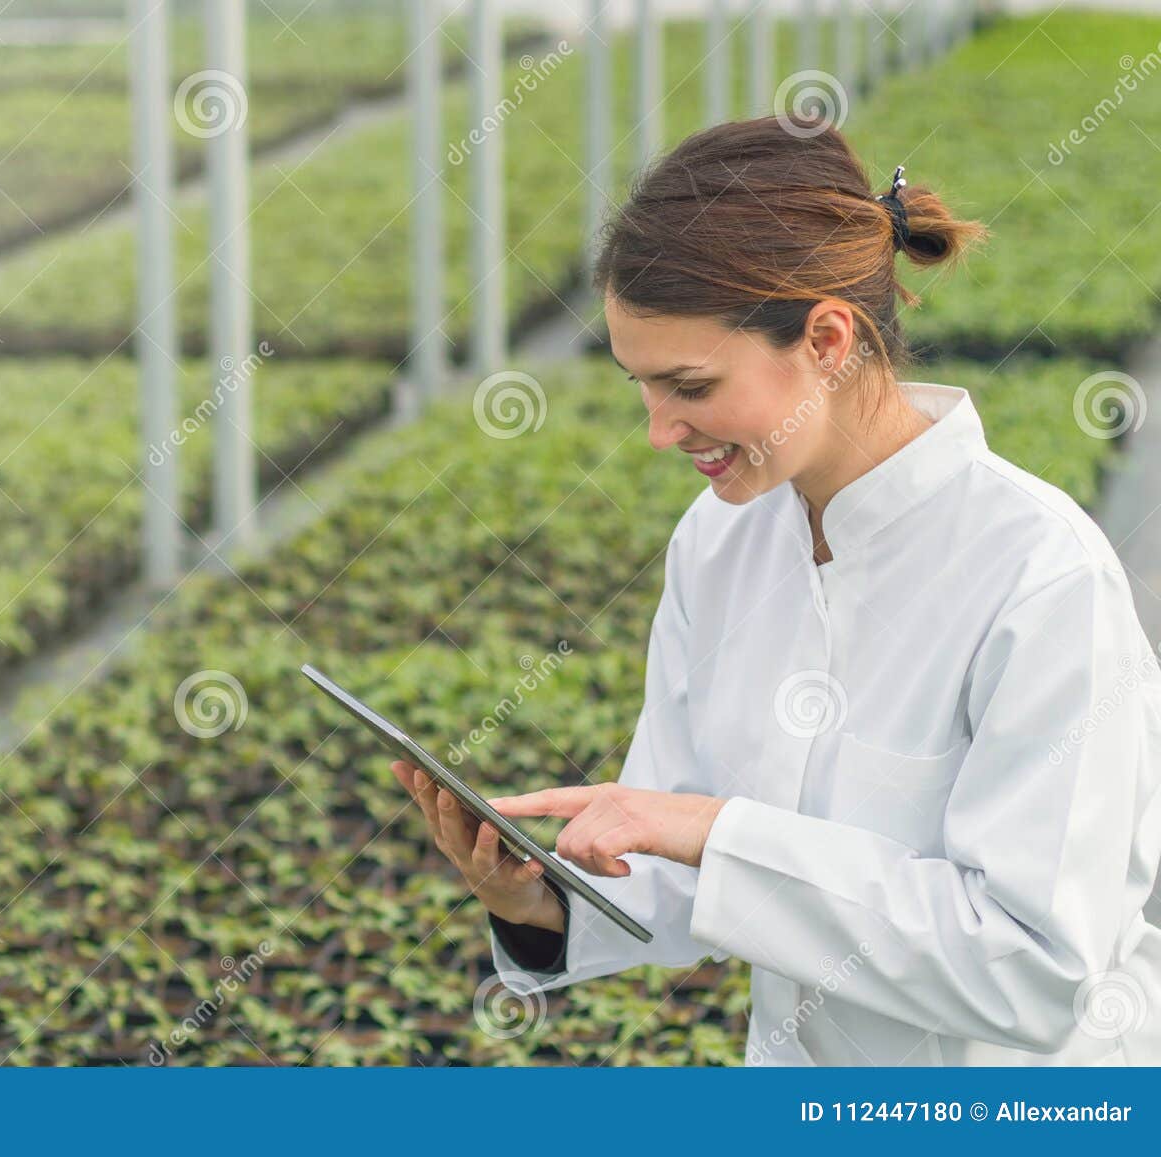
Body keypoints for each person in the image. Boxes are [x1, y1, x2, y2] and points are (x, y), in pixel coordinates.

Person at [392, 111, 1161, 1065]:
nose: (660, 430)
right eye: (642, 385)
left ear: (827, 340)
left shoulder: (1042, 580)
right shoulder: (722, 540)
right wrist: (539, 902)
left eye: (691, 385)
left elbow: (1038, 969)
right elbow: (675, 854)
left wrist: (719, 833)